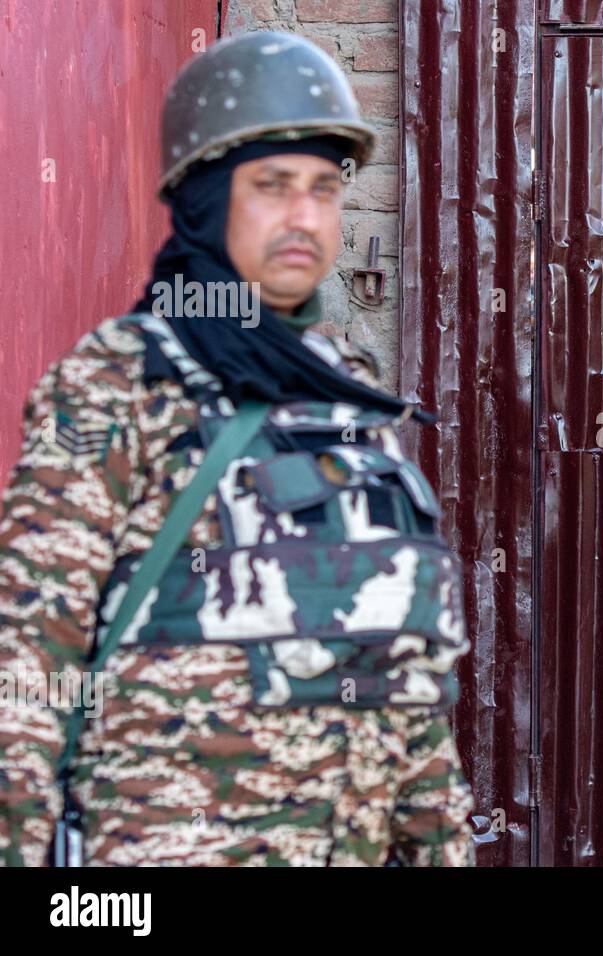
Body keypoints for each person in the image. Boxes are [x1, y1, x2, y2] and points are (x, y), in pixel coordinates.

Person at [0, 31, 474, 867]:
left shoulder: (346, 394)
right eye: (272, 187)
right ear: (207, 200)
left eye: (326, 189)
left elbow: (407, 691)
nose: (305, 216)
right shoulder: (122, 381)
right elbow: (29, 669)